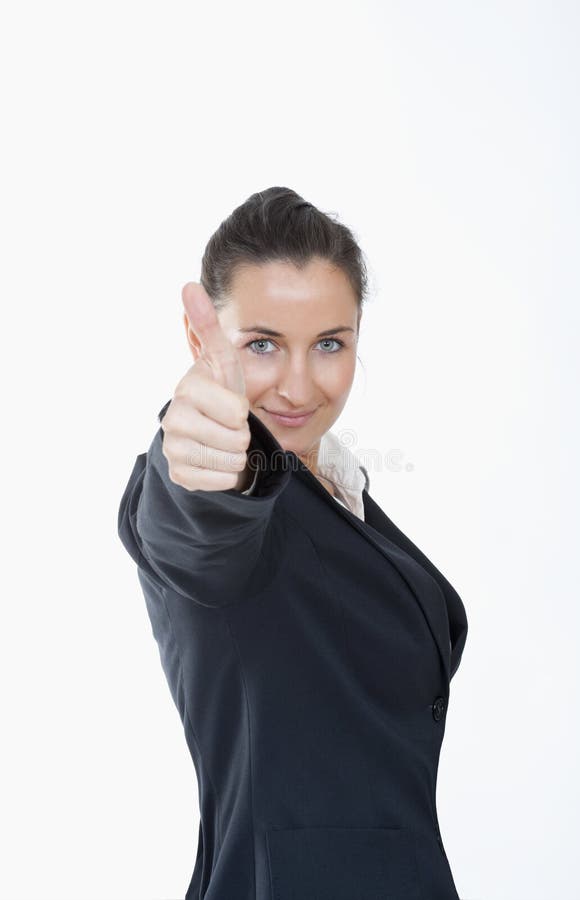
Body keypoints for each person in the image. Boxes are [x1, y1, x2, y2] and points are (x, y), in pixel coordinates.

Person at [117, 186, 469, 900]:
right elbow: (194, 535)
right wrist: (207, 465)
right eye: (262, 345)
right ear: (202, 342)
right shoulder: (217, 483)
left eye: (329, 344)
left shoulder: (342, 487)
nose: (299, 386)